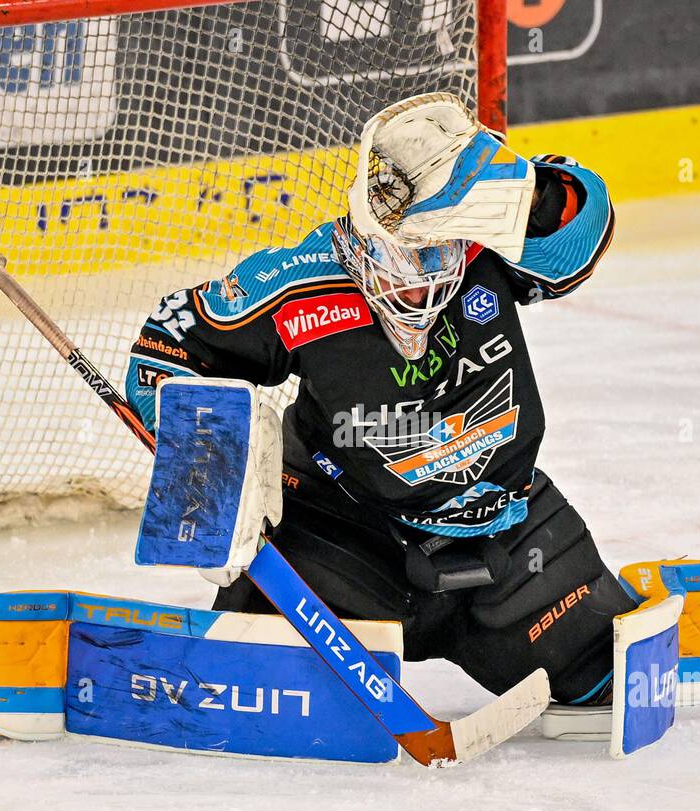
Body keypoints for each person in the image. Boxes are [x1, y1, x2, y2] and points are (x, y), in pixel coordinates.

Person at [126, 94, 633, 708]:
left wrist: (526, 192)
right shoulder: (300, 284)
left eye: (433, 251)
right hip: (341, 540)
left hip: (508, 533)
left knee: (604, 676)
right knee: (274, 689)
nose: (416, 273)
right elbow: (166, 347)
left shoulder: (483, 248)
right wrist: (208, 487)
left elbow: (581, 228)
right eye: (400, 252)